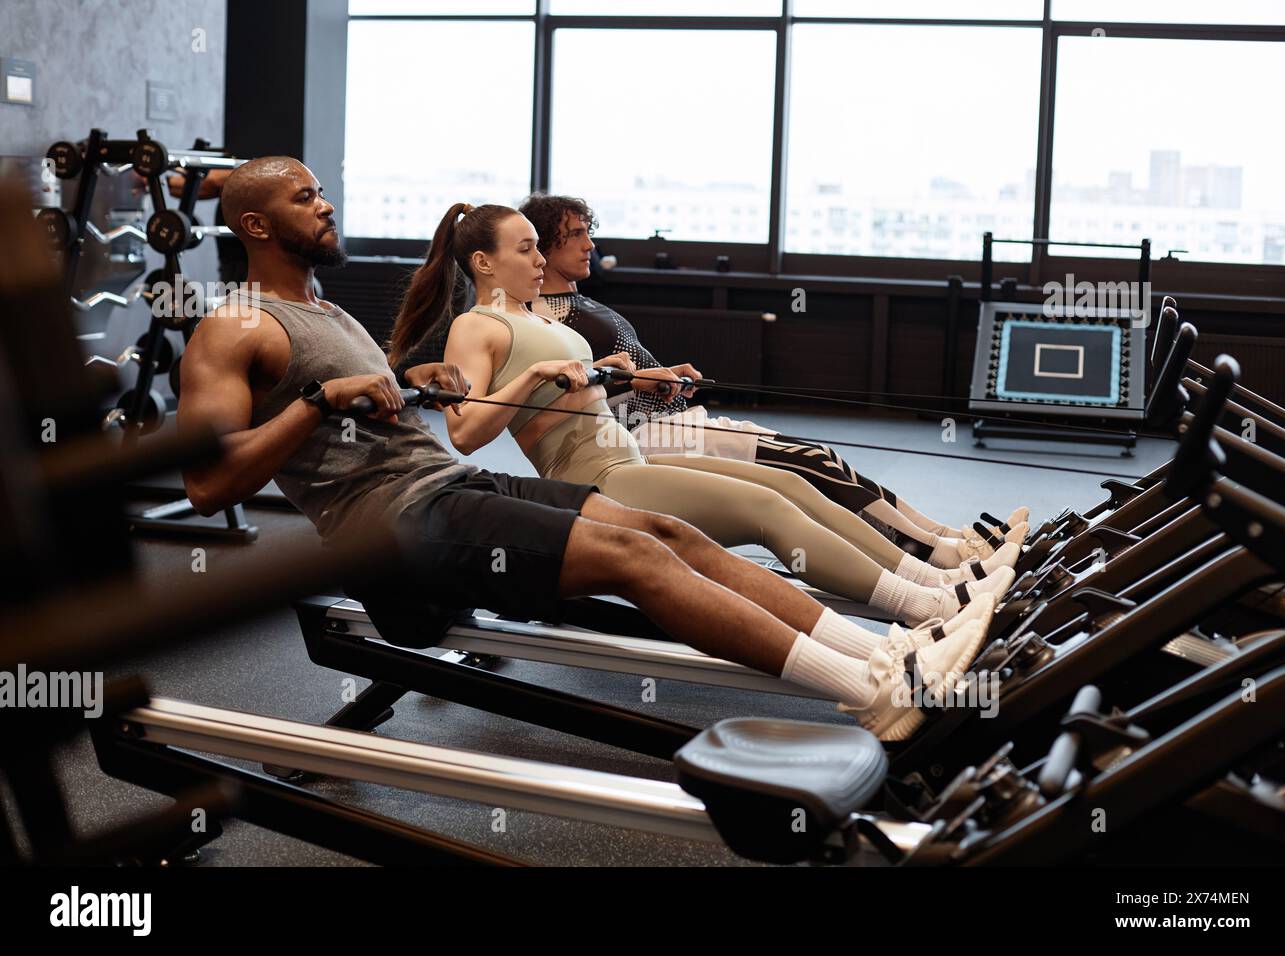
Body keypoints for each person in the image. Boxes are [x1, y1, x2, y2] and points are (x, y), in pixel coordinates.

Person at [176, 155, 995, 741]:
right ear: (254, 223)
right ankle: (871, 691)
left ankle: (893, 650)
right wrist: (322, 400)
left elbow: (376, 403)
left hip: (446, 486)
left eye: (321, 192)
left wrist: (405, 374)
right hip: (390, 529)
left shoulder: (327, 310)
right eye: (302, 198)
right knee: (638, 561)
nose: (324, 205)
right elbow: (209, 484)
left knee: (671, 534)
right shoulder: (231, 326)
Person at [389, 202, 1017, 630]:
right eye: (525, 251)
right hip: (595, 478)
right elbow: (466, 432)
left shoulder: (536, 316)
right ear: (483, 263)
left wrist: (624, 372)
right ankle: (925, 606)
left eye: (536, 249)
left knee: (789, 481)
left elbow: (576, 393)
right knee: (767, 510)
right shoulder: (479, 324)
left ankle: (943, 582)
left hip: (626, 452)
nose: (537, 261)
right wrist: (532, 374)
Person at [517, 193, 1030, 566]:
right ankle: (939, 554)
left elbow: (612, 371)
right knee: (811, 465)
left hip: (675, 419)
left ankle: (948, 537)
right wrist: (638, 382)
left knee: (819, 460)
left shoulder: (577, 302)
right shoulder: (546, 316)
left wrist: (662, 375)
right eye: (576, 234)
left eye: (588, 232)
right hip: (647, 437)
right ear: (545, 241)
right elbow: (580, 386)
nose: (590, 244)